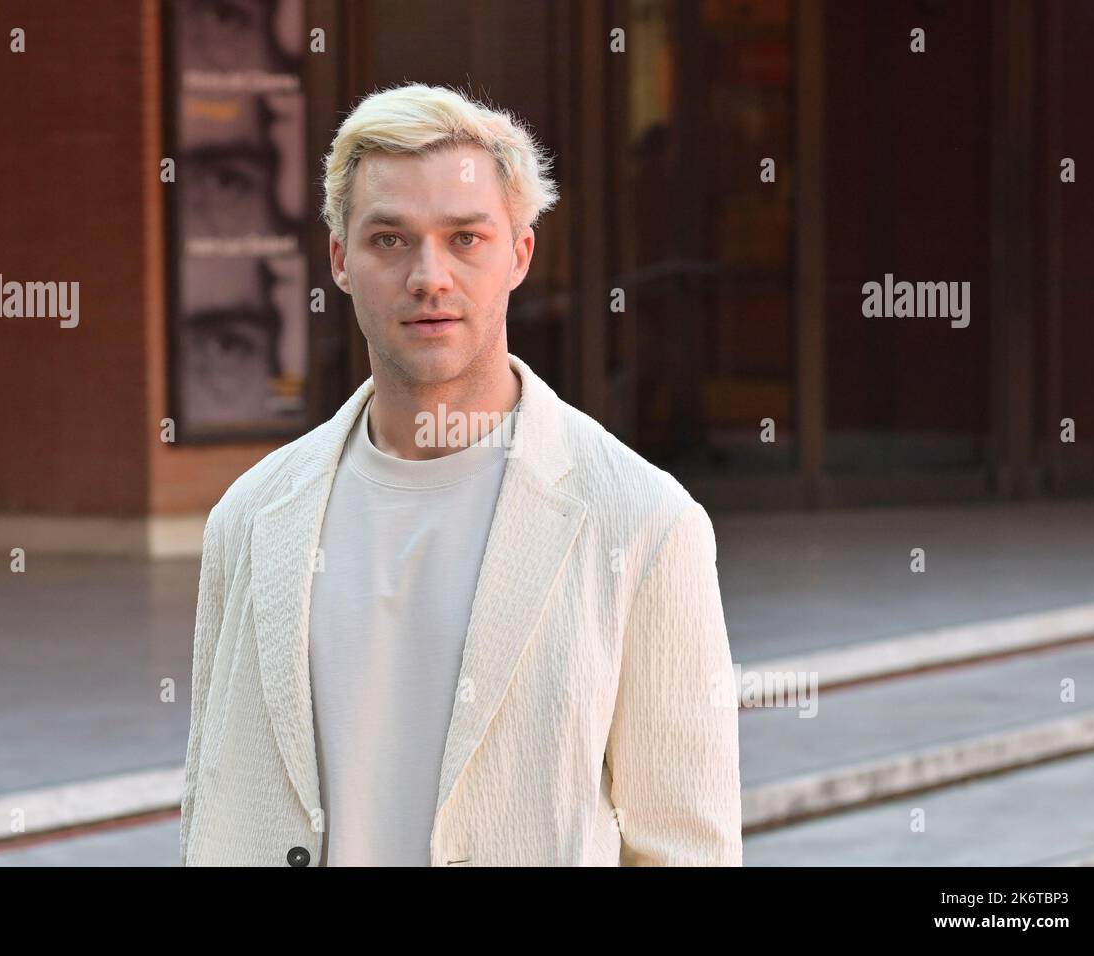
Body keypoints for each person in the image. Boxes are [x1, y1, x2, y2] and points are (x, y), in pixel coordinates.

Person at [180, 82, 742, 866]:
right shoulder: (250, 515)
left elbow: (684, 848)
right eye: (390, 239)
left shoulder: (645, 523)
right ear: (339, 259)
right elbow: (211, 804)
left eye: (466, 238)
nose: (428, 276)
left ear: (520, 252)